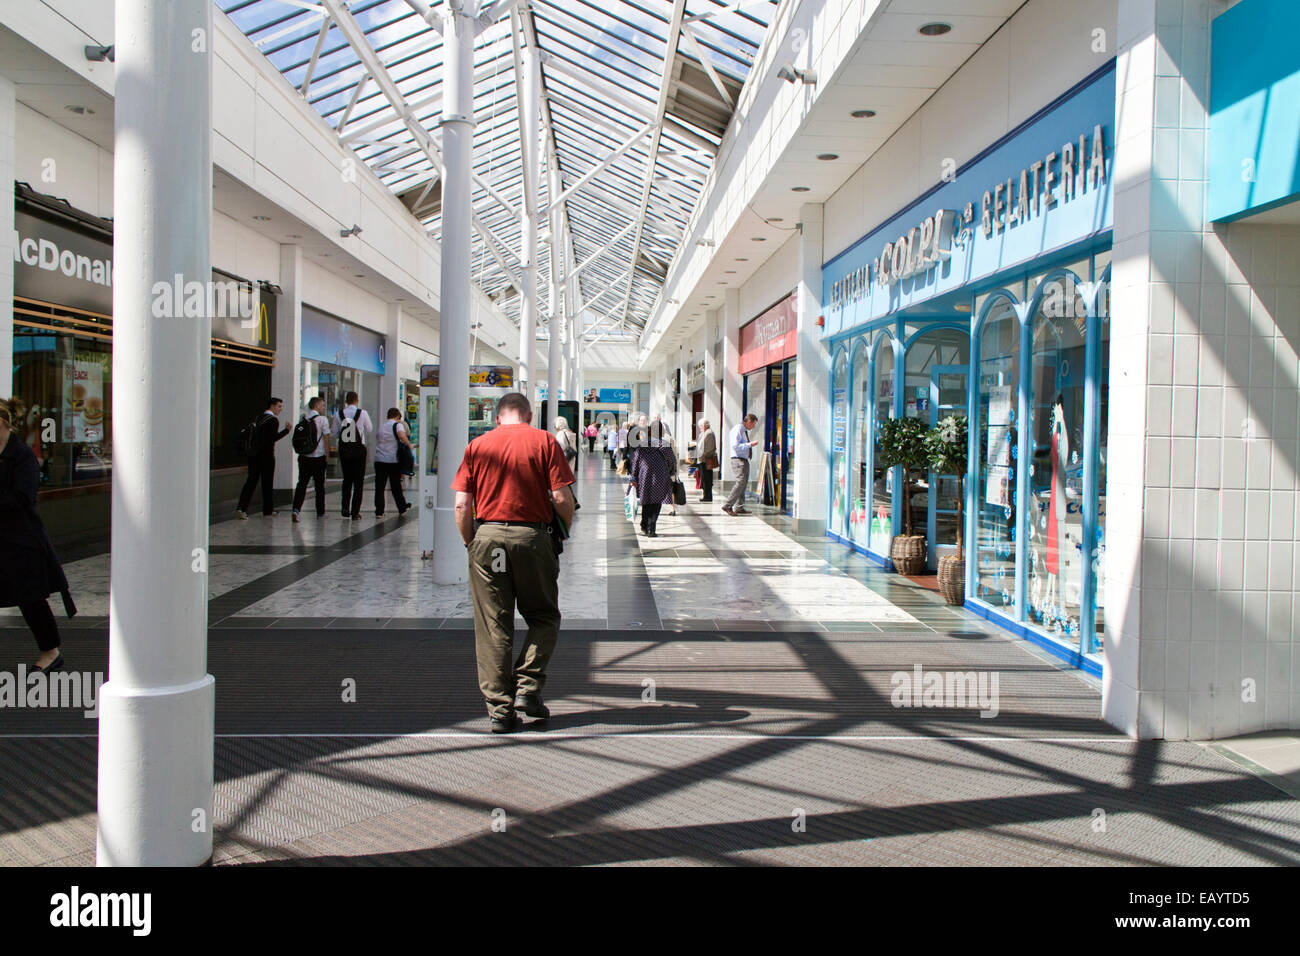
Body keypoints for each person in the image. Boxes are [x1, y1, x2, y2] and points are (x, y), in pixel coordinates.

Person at [452, 393, 576, 734]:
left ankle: (500, 712)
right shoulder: (544, 441)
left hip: (488, 539)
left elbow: (462, 506)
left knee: (494, 625)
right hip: (532, 538)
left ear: (496, 417)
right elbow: (563, 498)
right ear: (530, 414)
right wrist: (560, 535)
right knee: (543, 616)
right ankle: (528, 688)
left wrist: (471, 542)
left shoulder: (477, 446)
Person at [0, 398, 76, 672]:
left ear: (6, 424)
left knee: (30, 598)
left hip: (22, 540)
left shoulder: (22, 456)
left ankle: (51, 652)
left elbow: (22, 497)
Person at [236, 397, 289, 518]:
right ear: (272, 406)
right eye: (279, 406)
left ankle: (241, 507)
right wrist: (286, 431)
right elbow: (272, 439)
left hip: (253, 455)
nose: (280, 409)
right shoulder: (273, 420)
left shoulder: (258, 418)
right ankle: (268, 510)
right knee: (267, 483)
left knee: (251, 481)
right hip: (267, 456)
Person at [332, 391, 373, 521]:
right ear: (357, 400)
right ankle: (355, 512)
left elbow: (335, 433)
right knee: (358, 482)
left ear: (346, 401)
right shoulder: (363, 413)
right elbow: (369, 429)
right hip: (359, 450)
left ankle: (345, 508)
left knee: (347, 480)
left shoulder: (338, 414)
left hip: (345, 450)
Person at [630, 426, 674, 537]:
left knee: (646, 500)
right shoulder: (663, 444)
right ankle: (651, 529)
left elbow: (635, 461)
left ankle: (644, 525)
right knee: (656, 502)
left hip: (644, 476)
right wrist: (672, 472)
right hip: (660, 475)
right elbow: (671, 460)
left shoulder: (642, 444)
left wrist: (633, 477)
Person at [291, 396, 330, 522]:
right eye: (322, 405)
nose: (324, 407)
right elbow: (326, 438)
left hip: (304, 457)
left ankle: (296, 510)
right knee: (319, 486)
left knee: (302, 483)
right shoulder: (323, 419)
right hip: (318, 457)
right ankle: (320, 512)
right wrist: (328, 455)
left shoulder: (304, 418)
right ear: (317, 406)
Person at [373, 407, 414, 518]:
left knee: (380, 487)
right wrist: (409, 444)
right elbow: (401, 435)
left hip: (379, 460)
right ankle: (401, 507)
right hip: (392, 460)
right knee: (396, 486)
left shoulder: (382, 427)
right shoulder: (397, 425)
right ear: (397, 416)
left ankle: (379, 511)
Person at [723, 413, 760, 516]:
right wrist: (750, 444)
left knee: (743, 483)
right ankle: (728, 505)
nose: (753, 427)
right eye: (753, 424)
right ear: (749, 422)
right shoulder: (738, 429)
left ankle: (739, 506)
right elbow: (735, 446)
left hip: (743, 459)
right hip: (738, 460)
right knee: (740, 483)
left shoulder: (743, 430)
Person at [696, 418, 718, 503]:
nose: (700, 428)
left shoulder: (709, 433)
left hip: (706, 460)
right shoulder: (704, 433)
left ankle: (708, 496)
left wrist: (701, 454)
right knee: (704, 478)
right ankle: (706, 495)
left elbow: (709, 448)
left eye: (701, 426)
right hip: (702, 459)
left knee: (707, 479)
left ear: (705, 425)